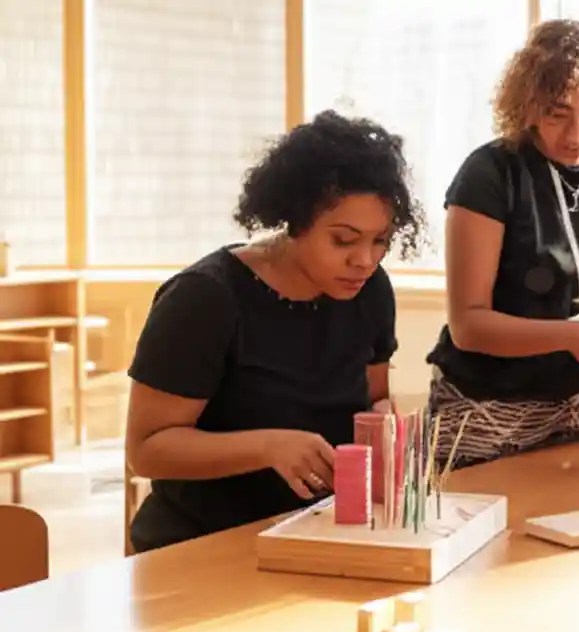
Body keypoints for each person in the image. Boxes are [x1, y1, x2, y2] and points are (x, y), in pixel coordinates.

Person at [125, 111, 425, 552]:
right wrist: (268, 446)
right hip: (203, 543)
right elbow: (148, 450)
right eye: (344, 240)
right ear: (295, 220)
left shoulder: (372, 291)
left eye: (380, 240)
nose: (365, 260)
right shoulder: (205, 299)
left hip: (319, 532)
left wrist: (382, 422)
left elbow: (373, 395)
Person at [426, 19, 579, 469]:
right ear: (527, 106)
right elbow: (468, 326)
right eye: (557, 113)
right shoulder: (489, 174)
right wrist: (573, 338)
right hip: (487, 415)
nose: (576, 135)